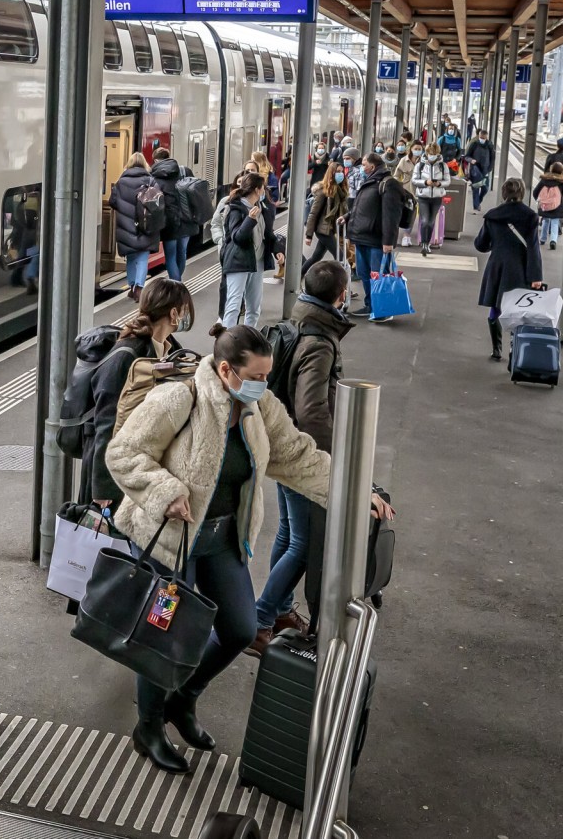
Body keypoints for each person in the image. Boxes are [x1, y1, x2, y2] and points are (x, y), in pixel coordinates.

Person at [104, 325, 390, 774]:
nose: (263, 383)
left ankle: (184, 700)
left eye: (267, 374)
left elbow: (297, 457)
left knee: (239, 629)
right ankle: (149, 728)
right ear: (225, 371)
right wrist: (164, 489)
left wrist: (356, 491)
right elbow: (123, 453)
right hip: (172, 543)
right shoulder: (180, 400)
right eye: (256, 375)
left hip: (221, 540)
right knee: (163, 639)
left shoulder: (260, 408)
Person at [249, 261, 355, 656]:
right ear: (341, 295)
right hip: (300, 451)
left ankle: (275, 612)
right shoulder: (320, 341)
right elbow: (311, 409)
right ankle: (261, 621)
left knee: (288, 535)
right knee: (303, 544)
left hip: (282, 442)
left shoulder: (295, 324)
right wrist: (329, 457)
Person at [81, 278, 194, 507]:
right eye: (184, 311)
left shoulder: (170, 348)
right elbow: (106, 422)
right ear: (174, 314)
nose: (186, 317)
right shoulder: (127, 355)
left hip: (140, 459)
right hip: (113, 469)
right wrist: (103, 490)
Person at [475, 178, 545, 362]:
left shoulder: (492, 215)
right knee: (519, 310)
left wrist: (496, 243)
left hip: (497, 266)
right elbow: (533, 248)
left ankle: (496, 349)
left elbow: (481, 245)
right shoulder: (530, 216)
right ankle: (515, 349)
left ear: (504, 193)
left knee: (495, 308)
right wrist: (536, 276)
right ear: (521, 193)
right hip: (520, 268)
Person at [345, 153, 401, 323]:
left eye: (364, 164)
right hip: (362, 237)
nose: (362, 167)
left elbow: (391, 216)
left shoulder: (388, 183)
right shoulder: (370, 181)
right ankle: (370, 305)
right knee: (364, 273)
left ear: (372, 166)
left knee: (379, 275)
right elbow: (361, 206)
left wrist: (388, 241)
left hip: (377, 240)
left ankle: (382, 310)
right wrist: (347, 217)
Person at [217, 172, 275, 330]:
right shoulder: (234, 208)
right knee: (234, 304)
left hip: (257, 262)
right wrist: (249, 220)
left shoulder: (260, 208)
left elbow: (267, 235)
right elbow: (238, 238)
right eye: (263, 188)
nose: (264, 191)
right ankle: (228, 341)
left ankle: (248, 338)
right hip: (239, 262)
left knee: (254, 307)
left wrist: (278, 250)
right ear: (257, 190)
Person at [109, 152, 163, 301]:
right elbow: (158, 201)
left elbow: (112, 202)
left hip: (126, 226)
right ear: (144, 163)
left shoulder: (121, 181)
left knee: (131, 257)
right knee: (143, 257)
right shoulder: (150, 180)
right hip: (146, 224)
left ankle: (132, 286)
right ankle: (139, 287)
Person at [151, 148, 196, 282]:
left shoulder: (155, 176)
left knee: (170, 255)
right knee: (182, 252)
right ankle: (177, 282)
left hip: (169, 221)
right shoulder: (184, 171)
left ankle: (176, 284)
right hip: (186, 217)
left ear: (156, 160)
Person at [302, 161, 348, 271]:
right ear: (331, 173)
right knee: (340, 257)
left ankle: (299, 275)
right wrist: (309, 235)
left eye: (342, 172)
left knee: (316, 257)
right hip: (322, 229)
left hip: (330, 229)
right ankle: (342, 285)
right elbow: (314, 214)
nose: (340, 174)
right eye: (337, 172)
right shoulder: (323, 191)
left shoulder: (340, 190)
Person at [411, 143, 447, 256]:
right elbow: (414, 180)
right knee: (425, 221)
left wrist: (439, 183)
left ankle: (427, 243)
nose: (433, 156)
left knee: (431, 222)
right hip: (423, 197)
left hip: (437, 197)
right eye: (431, 153)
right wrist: (426, 182)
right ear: (427, 153)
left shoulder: (443, 166)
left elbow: (448, 181)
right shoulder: (420, 165)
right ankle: (424, 244)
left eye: (435, 154)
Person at [533, 163, 563, 250]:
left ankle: (542, 239)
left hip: (545, 205)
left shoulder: (544, 179)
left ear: (551, 169)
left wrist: (539, 201)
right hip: (557, 206)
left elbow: (535, 192)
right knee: (555, 222)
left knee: (545, 220)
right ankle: (553, 240)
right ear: (562, 171)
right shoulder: (562, 182)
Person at [464, 128, 496, 210]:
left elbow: (492, 158)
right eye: (481, 138)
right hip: (475, 170)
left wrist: (489, 169)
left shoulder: (490, 145)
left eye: (483, 138)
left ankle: (478, 201)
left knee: (485, 188)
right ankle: (476, 206)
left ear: (486, 137)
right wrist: (471, 160)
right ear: (479, 136)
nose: (482, 139)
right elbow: (466, 156)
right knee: (475, 188)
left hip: (485, 170)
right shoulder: (474, 144)